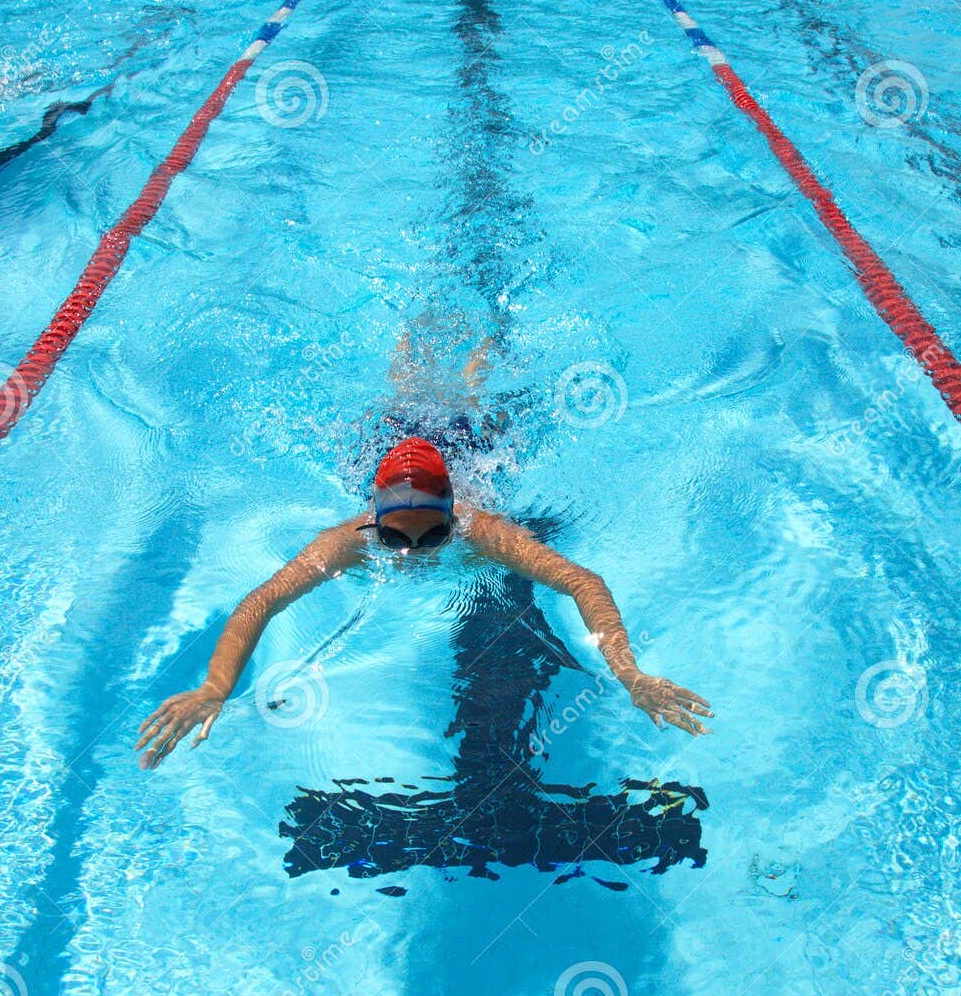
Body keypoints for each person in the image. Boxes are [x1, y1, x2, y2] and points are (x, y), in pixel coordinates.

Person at [137, 328, 711, 768]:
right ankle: (413, 332)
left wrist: (631, 675)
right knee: (406, 385)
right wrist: (214, 687)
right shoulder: (342, 542)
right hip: (388, 443)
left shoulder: (482, 529)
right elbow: (261, 602)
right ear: (372, 521)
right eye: (393, 538)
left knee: (470, 393)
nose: (411, 554)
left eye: (433, 536)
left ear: (453, 515)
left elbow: (583, 581)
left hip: (460, 444)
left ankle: (492, 337)